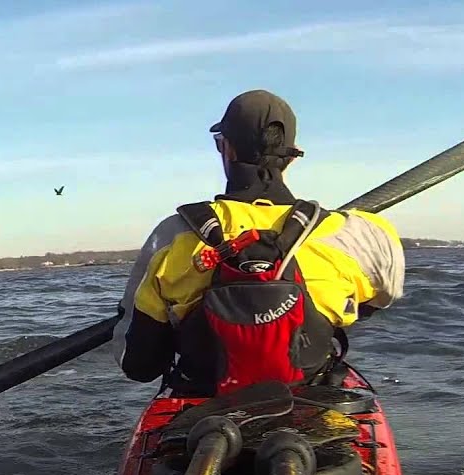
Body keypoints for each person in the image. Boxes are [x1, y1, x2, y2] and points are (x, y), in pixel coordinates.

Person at [111, 89, 405, 396]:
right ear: (292, 156)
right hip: (313, 399)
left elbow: (139, 365)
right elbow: (378, 301)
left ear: (227, 149)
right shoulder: (358, 233)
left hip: (207, 407)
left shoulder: (172, 235)